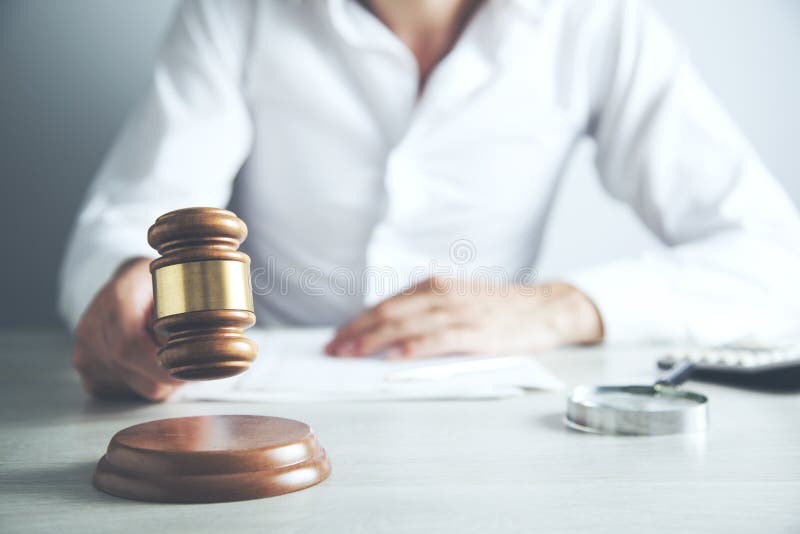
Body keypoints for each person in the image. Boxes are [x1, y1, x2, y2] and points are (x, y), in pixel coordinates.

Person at [60, 0, 800, 401]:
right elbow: (129, 225)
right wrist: (124, 299)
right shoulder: (233, 12)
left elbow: (777, 261)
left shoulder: (600, 20)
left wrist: (557, 307)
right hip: (246, 401)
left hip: (486, 414)